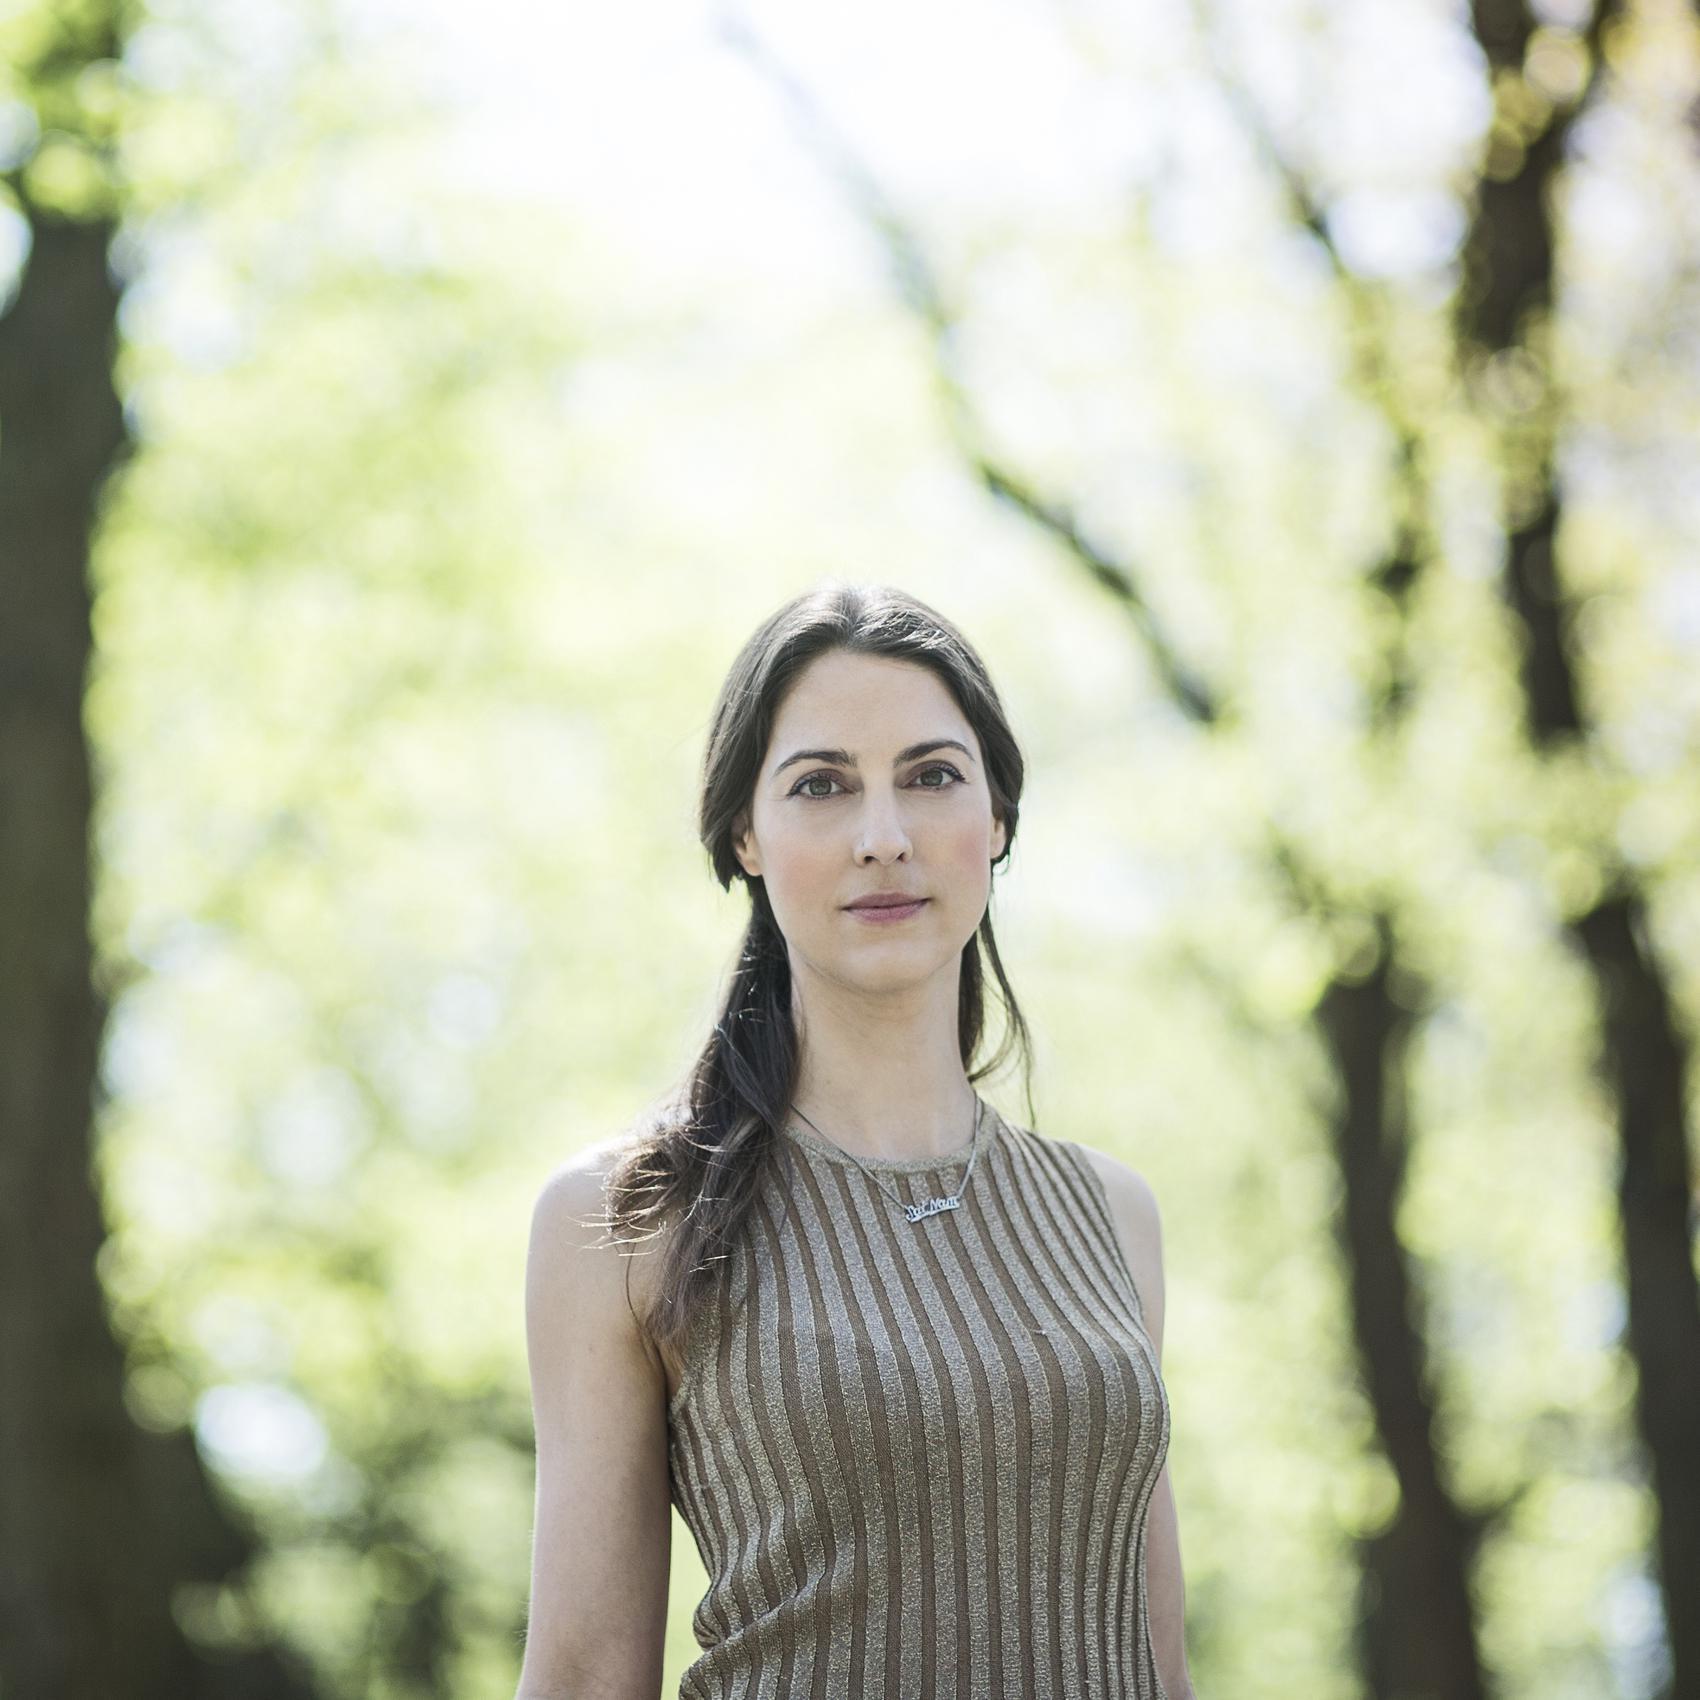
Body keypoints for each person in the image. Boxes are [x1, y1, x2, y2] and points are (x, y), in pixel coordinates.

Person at [516, 582, 1195, 1700]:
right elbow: (586, 1674)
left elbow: (1159, 1663)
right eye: (821, 787)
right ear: (745, 832)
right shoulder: (625, 1219)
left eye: (930, 776)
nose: (883, 838)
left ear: (998, 820)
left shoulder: (1111, 1215)